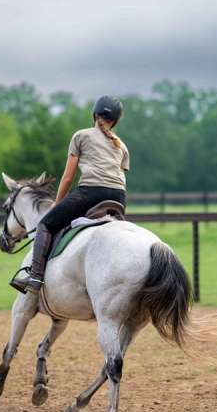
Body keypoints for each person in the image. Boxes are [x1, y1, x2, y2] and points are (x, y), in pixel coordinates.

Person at [10, 95, 129, 294]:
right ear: (115, 120)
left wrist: (57, 203)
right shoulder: (122, 146)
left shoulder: (81, 135)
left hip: (91, 192)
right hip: (119, 197)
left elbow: (67, 178)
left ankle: (35, 276)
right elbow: (117, 179)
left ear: (94, 115)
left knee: (45, 224)